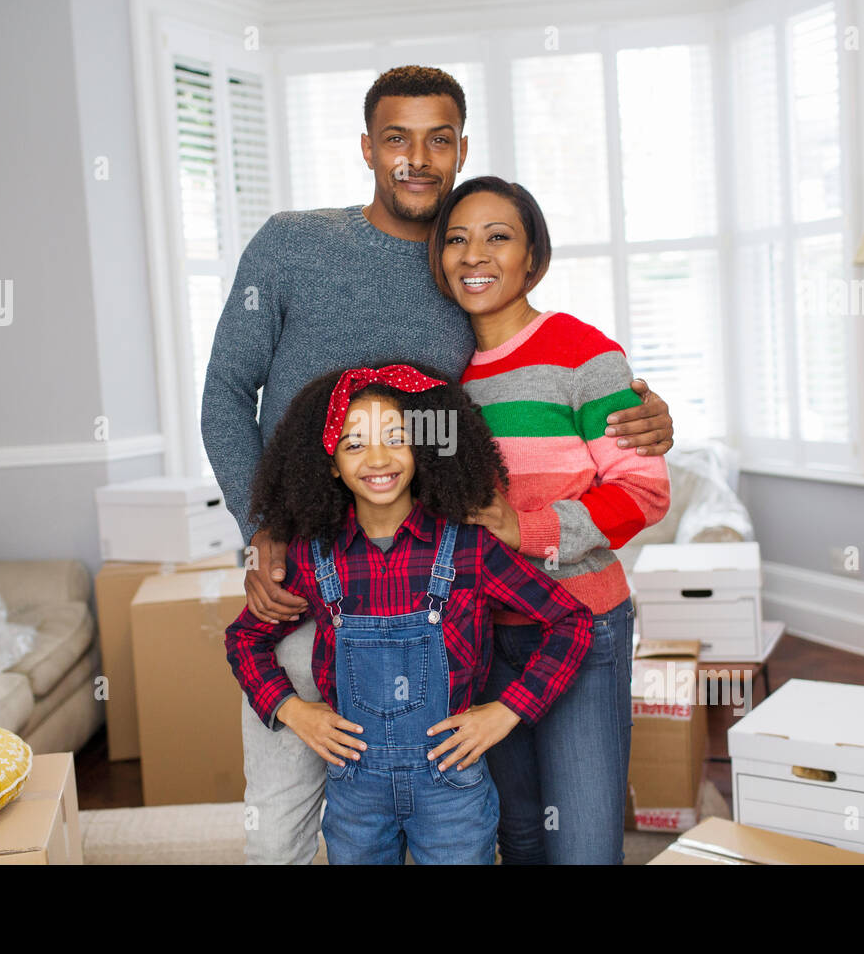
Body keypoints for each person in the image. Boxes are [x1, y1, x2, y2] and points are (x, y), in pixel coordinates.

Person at [201, 65, 674, 864]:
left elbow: (545, 392)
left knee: (468, 811)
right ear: (366, 148)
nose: (416, 159)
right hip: (306, 569)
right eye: (396, 138)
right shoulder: (292, 244)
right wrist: (262, 533)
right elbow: (224, 393)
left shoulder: (464, 289)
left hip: (441, 591)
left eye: (438, 139)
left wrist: (642, 410)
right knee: (284, 821)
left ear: (459, 150)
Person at [223, 363, 593, 864]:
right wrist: (294, 711)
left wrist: (506, 712)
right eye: (354, 444)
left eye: (394, 438)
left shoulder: (468, 547)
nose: (377, 458)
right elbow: (244, 639)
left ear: (421, 449)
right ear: (329, 464)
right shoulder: (314, 557)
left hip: (451, 793)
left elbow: (570, 621)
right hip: (355, 792)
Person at [428, 176, 672, 864]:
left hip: (582, 627)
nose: (474, 255)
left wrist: (525, 528)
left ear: (533, 258)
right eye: (456, 239)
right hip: (479, 637)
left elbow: (644, 490)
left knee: (584, 846)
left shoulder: (583, 352)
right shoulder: (437, 378)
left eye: (497, 237)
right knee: (521, 836)